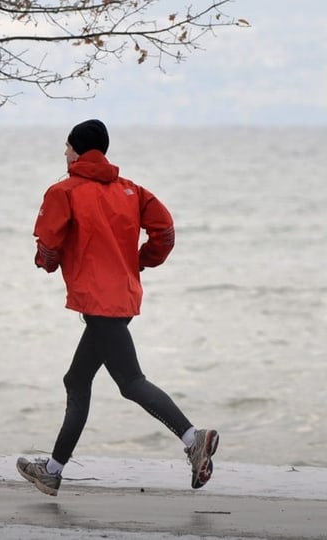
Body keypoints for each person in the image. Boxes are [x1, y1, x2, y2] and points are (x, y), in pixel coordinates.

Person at [16, 119, 219, 496]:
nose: (64, 152)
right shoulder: (132, 190)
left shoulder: (64, 192)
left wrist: (46, 262)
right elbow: (166, 231)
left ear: (77, 150)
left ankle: (194, 439)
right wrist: (143, 260)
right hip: (122, 297)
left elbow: (47, 244)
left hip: (99, 302)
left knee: (130, 382)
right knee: (76, 380)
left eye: (66, 146)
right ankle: (52, 471)